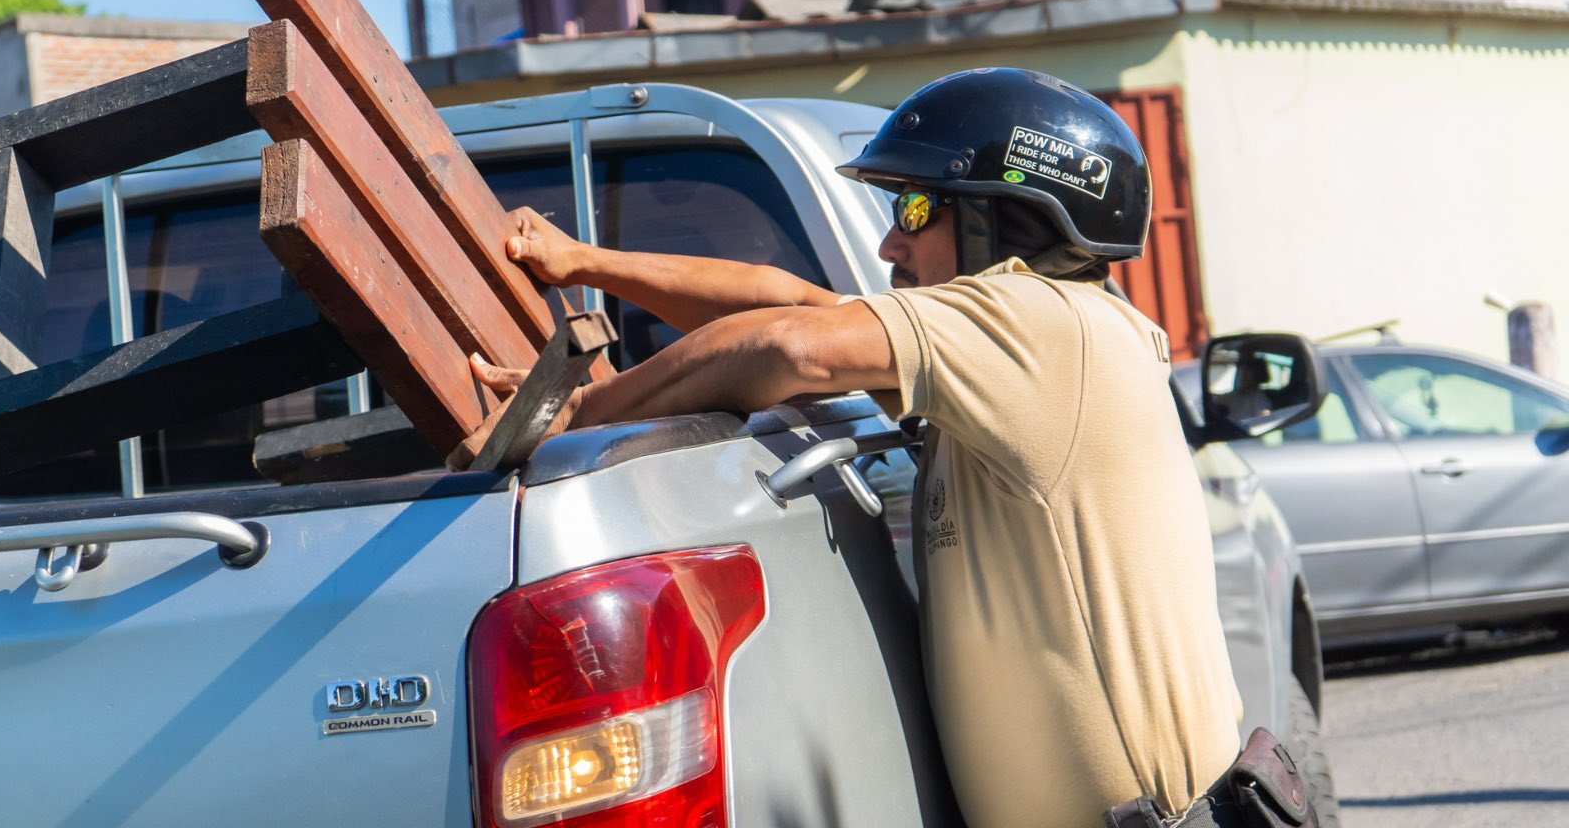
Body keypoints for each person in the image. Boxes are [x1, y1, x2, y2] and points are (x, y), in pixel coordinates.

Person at [470, 67, 1298, 828]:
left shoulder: (1043, 328)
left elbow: (791, 347)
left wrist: (575, 411)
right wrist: (584, 262)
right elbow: (792, 303)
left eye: (912, 211)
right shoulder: (1031, 346)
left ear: (1003, 215)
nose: (889, 245)